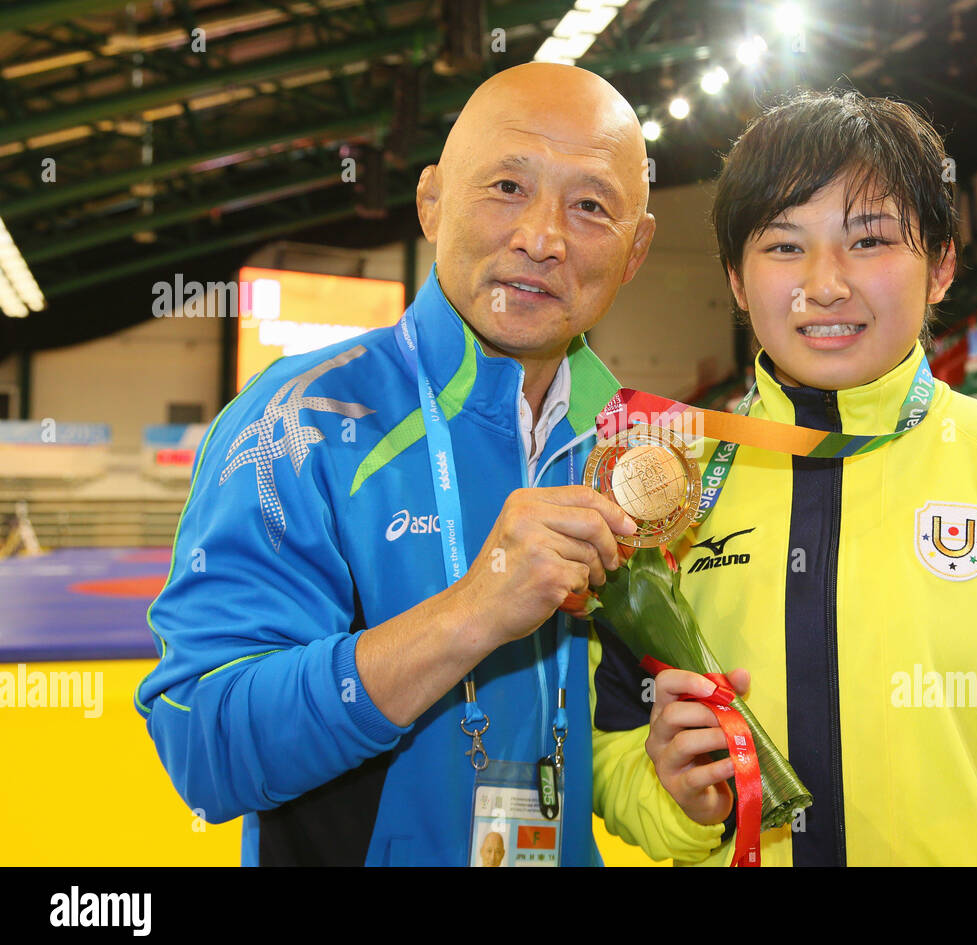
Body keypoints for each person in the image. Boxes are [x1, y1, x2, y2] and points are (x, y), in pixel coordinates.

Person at [590, 89, 977, 866]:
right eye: (784, 246)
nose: (824, 284)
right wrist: (679, 803)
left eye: (870, 240)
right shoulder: (662, 492)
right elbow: (608, 744)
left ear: (942, 266)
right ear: (738, 281)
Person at [136, 61, 655, 865]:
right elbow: (206, 744)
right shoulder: (299, 421)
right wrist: (472, 612)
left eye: (591, 206)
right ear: (431, 203)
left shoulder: (636, 451)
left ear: (635, 250)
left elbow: (610, 751)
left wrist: (682, 796)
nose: (543, 238)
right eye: (507, 187)